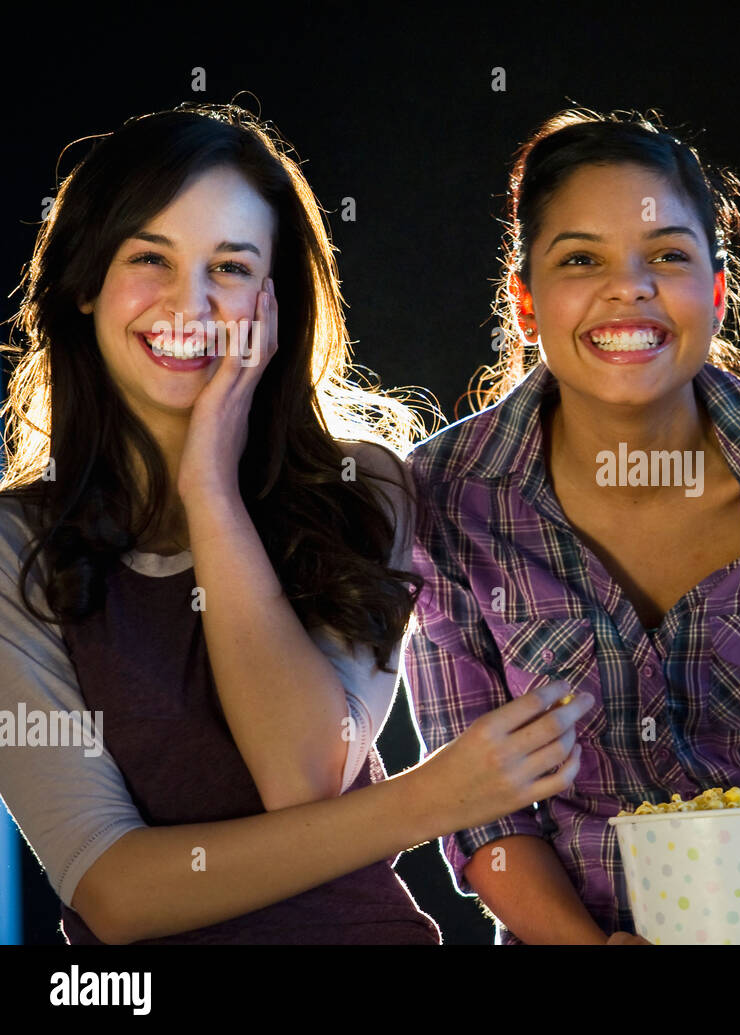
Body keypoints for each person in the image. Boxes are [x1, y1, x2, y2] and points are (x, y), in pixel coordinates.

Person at [0, 104, 591, 944]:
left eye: (230, 266)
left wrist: (211, 488)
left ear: (276, 299)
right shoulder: (15, 550)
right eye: (149, 258)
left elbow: (303, 774)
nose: (188, 302)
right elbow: (114, 891)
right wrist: (428, 800)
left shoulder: (362, 487)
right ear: (86, 282)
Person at [405, 109, 740, 945]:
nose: (630, 288)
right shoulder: (441, 496)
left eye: (667, 257)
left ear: (718, 293)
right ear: (526, 299)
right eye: (581, 259)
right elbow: (481, 820)